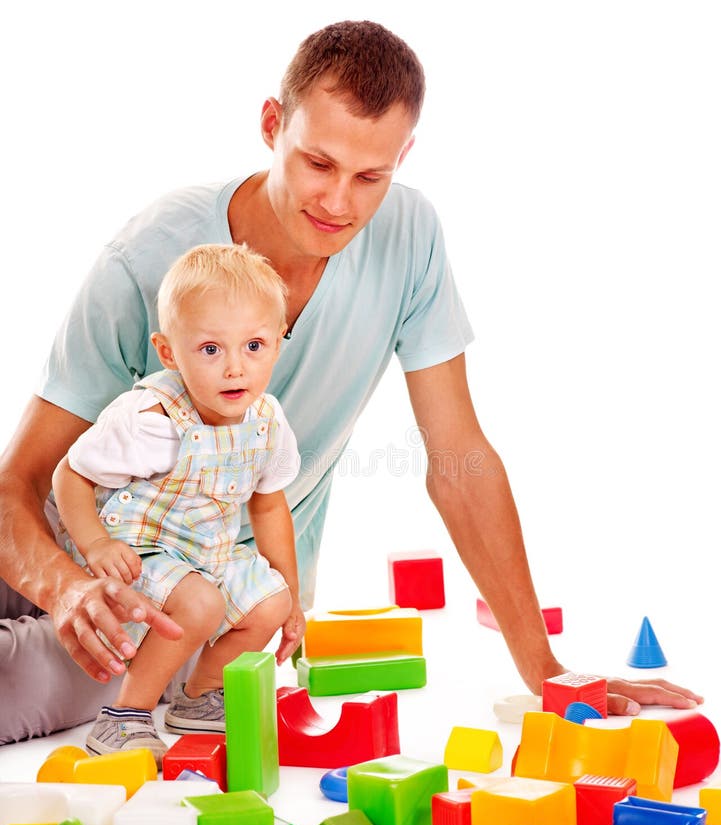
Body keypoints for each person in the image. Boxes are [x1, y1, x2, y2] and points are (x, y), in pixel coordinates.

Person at [0, 20, 701, 745]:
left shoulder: (409, 235)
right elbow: (16, 483)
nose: (338, 202)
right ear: (272, 125)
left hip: (209, 601)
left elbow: (458, 458)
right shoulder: (148, 257)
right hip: (88, 541)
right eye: (318, 163)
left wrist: (546, 670)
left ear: (403, 157)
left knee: (17, 688)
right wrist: (66, 587)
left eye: (370, 177)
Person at [51, 243, 303, 764]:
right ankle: (123, 717)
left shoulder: (267, 421)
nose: (235, 368)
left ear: (279, 342)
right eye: (210, 349)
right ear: (169, 353)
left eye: (254, 345)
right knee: (201, 603)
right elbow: (69, 474)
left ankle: (199, 697)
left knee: (271, 601)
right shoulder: (151, 418)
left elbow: (269, 505)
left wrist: (294, 598)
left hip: (205, 553)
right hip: (133, 548)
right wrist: (95, 545)